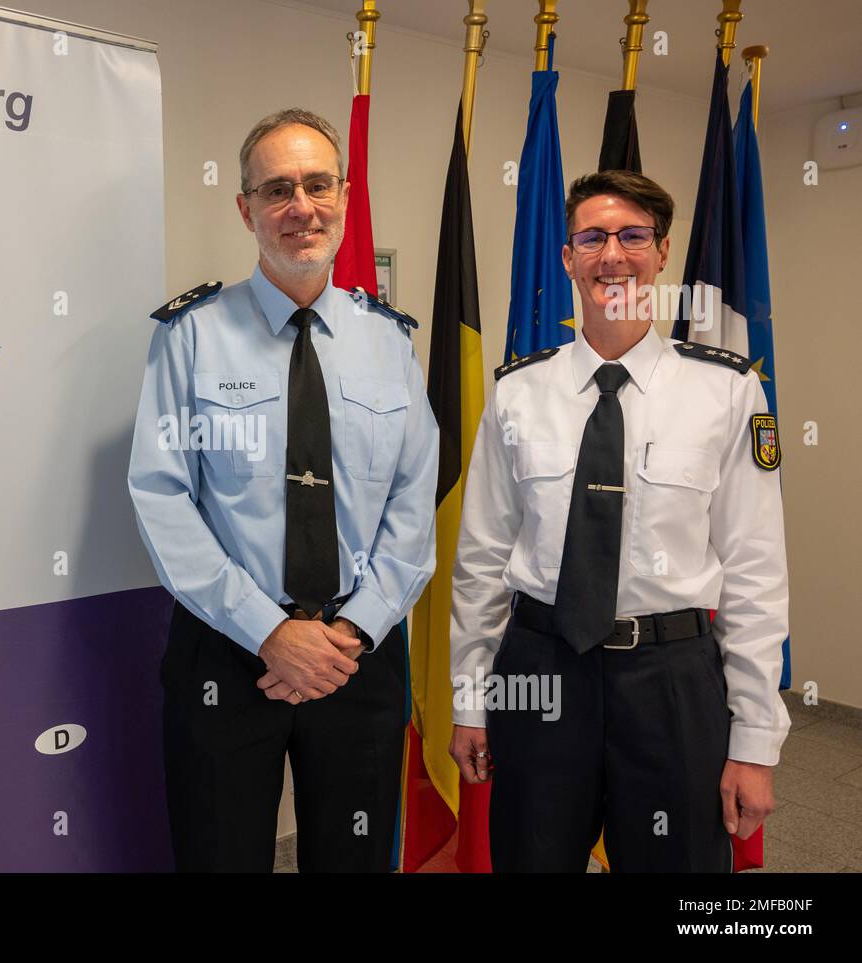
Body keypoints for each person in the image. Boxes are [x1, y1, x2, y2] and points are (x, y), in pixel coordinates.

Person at [448, 169, 789, 872]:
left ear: (663, 253)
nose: (613, 255)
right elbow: (482, 559)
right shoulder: (518, 392)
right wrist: (470, 700)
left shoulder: (727, 390)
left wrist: (755, 740)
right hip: (540, 667)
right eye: (593, 237)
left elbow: (756, 570)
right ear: (568, 256)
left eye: (633, 236)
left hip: (671, 678)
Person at [127, 108, 438, 872]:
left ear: (343, 193)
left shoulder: (390, 342)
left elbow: (411, 499)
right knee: (220, 855)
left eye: (317, 184)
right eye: (277, 190)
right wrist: (267, 629)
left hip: (356, 656)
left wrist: (355, 629)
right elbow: (161, 492)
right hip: (227, 652)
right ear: (246, 209)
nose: (301, 206)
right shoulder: (191, 335)